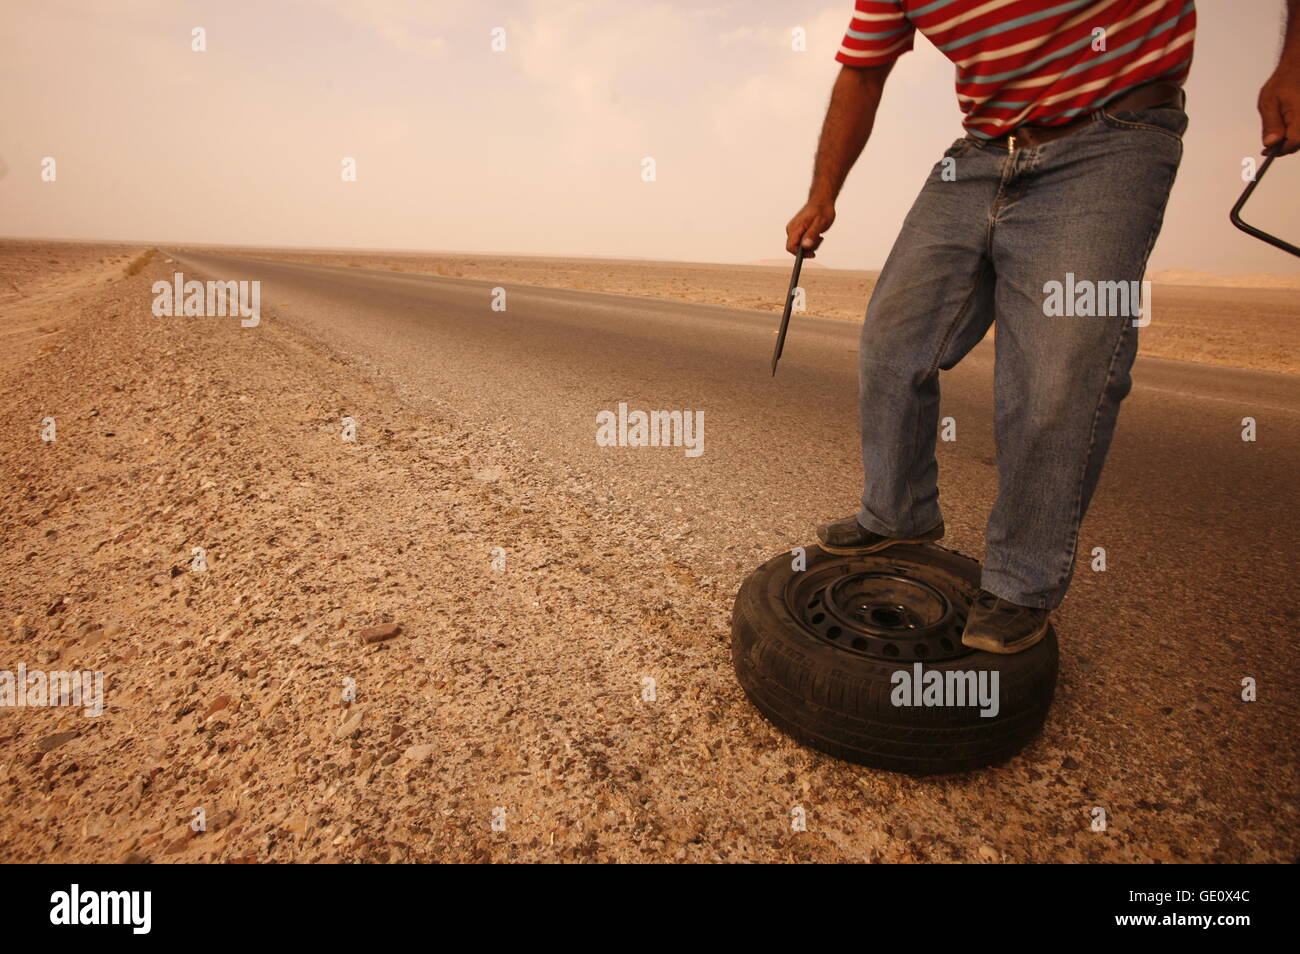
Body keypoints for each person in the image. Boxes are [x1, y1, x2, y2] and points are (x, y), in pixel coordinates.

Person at [787, 0, 1299, 653]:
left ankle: (1022, 581)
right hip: (978, 150)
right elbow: (861, 71)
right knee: (893, 336)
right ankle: (898, 513)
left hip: (1113, 136)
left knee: (1058, 373)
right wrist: (822, 193)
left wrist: (1294, 64)